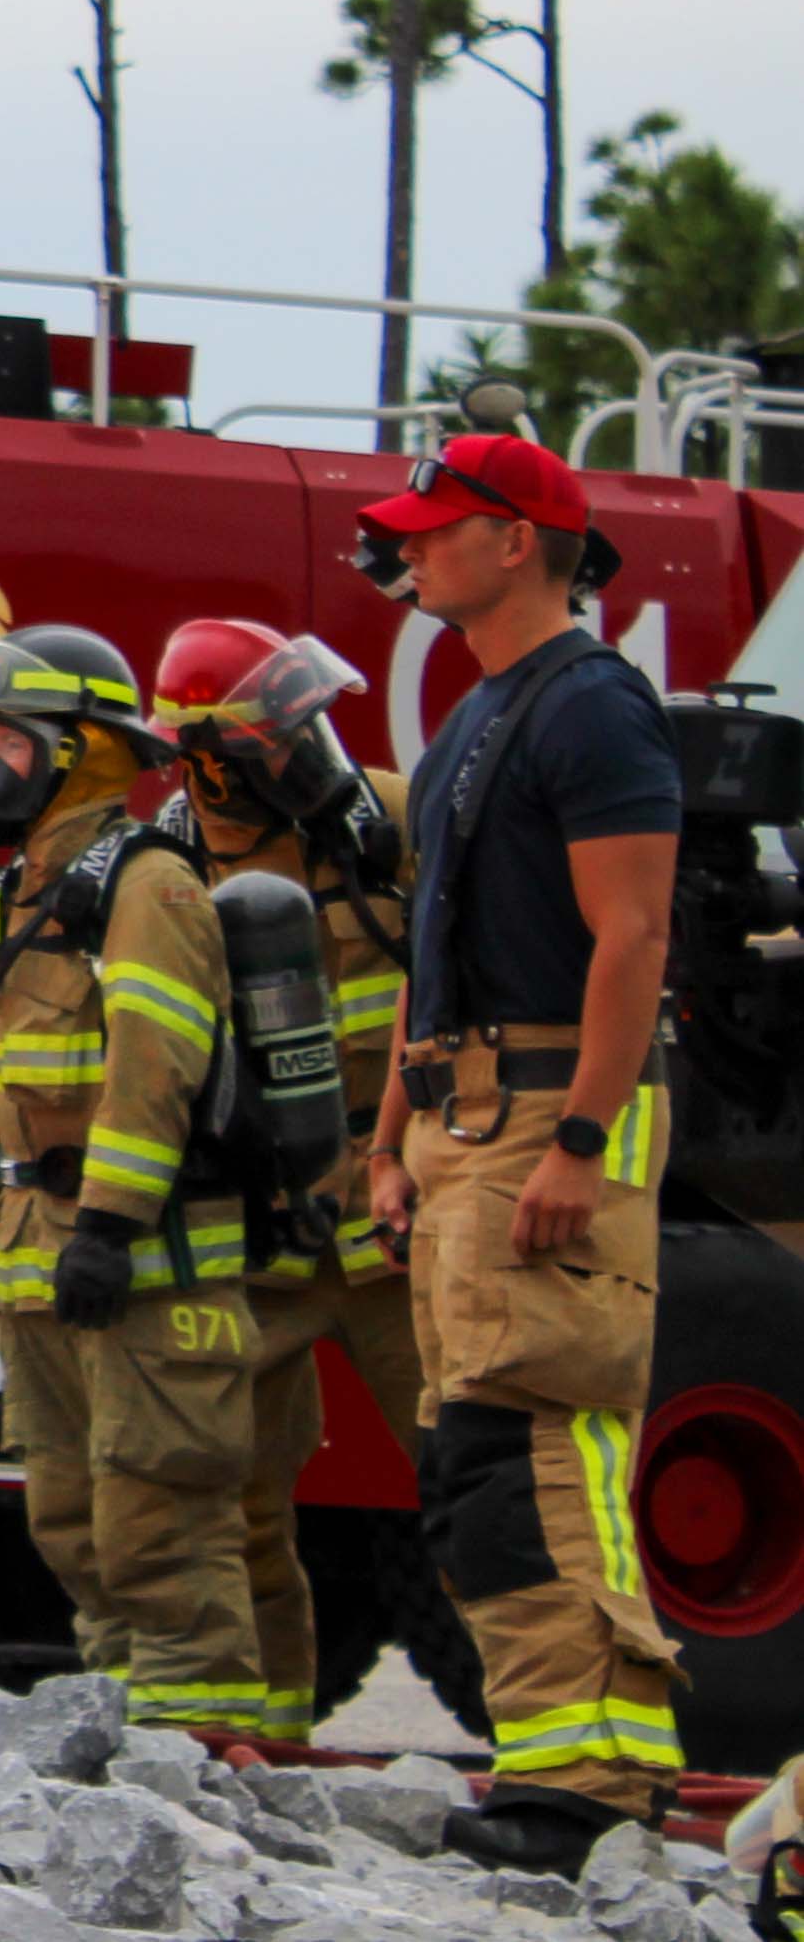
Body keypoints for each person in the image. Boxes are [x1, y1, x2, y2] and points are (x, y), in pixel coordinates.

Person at [356, 431, 684, 1872]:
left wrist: (583, 1142)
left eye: (436, 527)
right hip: (464, 1117)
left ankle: (593, 1784)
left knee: (535, 1438)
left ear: (516, 540)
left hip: (545, 1109)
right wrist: (391, 1139)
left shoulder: (591, 708)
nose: (409, 549)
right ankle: (550, 1762)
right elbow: (428, 963)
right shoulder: (486, 717)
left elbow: (634, 934)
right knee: (478, 1452)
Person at [0, 627, 269, 1742]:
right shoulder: (37, 885)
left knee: (158, 1522)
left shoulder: (147, 881)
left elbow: (153, 1071)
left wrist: (111, 1225)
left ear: (77, 754)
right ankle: (131, 1742)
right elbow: (53, 1078)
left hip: (142, 1264)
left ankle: (204, 1753)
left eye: (2, 746)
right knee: (73, 1522)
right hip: (40, 1247)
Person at [149, 615, 423, 1748]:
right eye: (282, 732)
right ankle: (267, 1743)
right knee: (237, 1499)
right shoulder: (158, 870)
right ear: (211, 756)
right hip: (254, 1232)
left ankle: (564, 1752)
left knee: (482, 1476)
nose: (313, 749)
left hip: (398, 1216)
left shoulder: (393, 822)